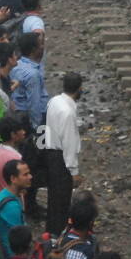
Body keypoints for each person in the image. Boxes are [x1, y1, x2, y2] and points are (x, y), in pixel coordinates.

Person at [45, 72, 84, 235]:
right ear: (80, 89)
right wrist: (73, 171)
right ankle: (58, 233)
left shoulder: (54, 101)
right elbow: (69, 142)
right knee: (61, 199)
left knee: (54, 197)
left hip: (50, 153)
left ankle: (51, 230)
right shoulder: (68, 112)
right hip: (60, 159)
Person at [0, 159, 31, 256]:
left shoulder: (7, 194)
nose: (30, 177)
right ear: (13, 179)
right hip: (11, 255)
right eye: (25, 175)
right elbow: (20, 237)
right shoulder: (10, 206)